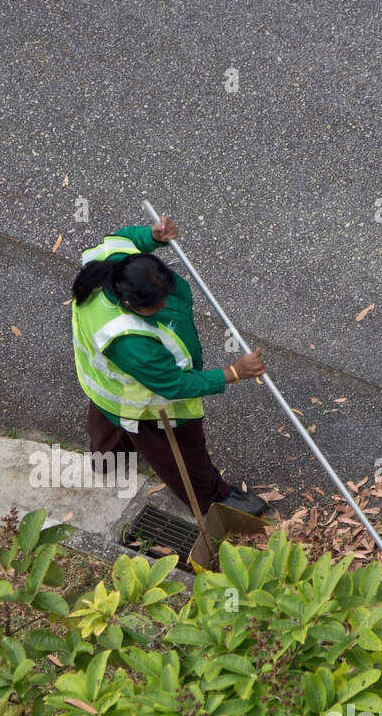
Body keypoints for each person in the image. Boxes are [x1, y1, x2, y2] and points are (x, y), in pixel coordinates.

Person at [70, 215, 269, 516]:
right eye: (156, 305)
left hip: (107, 385)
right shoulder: (129, 340)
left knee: (105, 424)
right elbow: (173, 384)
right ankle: (213, 501)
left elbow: (125, 237)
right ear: (128, 303)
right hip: (145, 405)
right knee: (183, 455)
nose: (164, 305)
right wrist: (233, 373)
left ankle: (105, 460)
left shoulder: (113, 260)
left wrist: (151, 236)